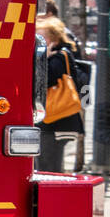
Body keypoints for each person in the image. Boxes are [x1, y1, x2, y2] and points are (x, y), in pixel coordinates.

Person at [36, 15, 83, 173]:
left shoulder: (59, 57)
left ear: (53, 39)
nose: (38, 41)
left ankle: (51, 197)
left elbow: (44, 80)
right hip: (53, 121)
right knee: (45, 163)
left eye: (42, 37)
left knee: (49, 166)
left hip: (57, 121)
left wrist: (43, 60)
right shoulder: (55, 57)